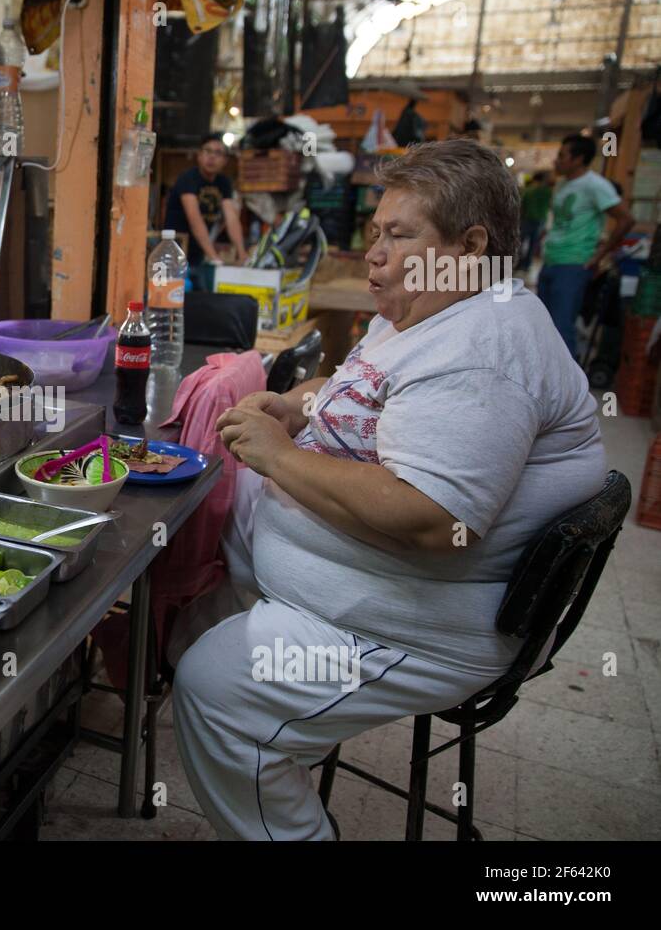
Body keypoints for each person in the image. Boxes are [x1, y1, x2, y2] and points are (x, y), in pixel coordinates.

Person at [173, 138, 605, 840]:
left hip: (419, 614)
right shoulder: (428, 309)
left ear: (469, 246)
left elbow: (433, 518)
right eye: (375, 232)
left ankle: (251, 749)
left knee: (214, 689)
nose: (372, 252)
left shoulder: (483, 350)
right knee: (186, 524)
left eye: (398, 235)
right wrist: (299, 405)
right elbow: (360, 388)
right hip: (362, 573)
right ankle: (250, 705)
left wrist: (279, 459)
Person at [538, 134, 635, 356]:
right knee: (543, 325)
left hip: (574, 263)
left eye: (562, 156)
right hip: (551, 259)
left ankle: (568, 387)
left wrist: (599, 254)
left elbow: (626, 219)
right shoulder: (562, 184)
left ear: (578, 159)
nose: (557, 161)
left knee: (562, 327)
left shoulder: (595, 185)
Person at [163, 133, 247, 281]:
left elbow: (231, 217)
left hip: (199, 255)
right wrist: (213, 256)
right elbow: (195, 219)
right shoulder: (188, 178)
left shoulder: (223, 183)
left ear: (225, 160)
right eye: (207, 151)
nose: (212, 157)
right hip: (176, 254)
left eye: (218, 153)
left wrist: (242, 254)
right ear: (199, 155)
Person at [516, 171, 552, 273]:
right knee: (533, 245)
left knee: (520, 243)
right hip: (540, 221)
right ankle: (527, 265)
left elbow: (522, 206)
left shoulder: (528, 191)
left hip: (527, 219)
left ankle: (518, 263)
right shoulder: (547, 192)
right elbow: (550, 205)